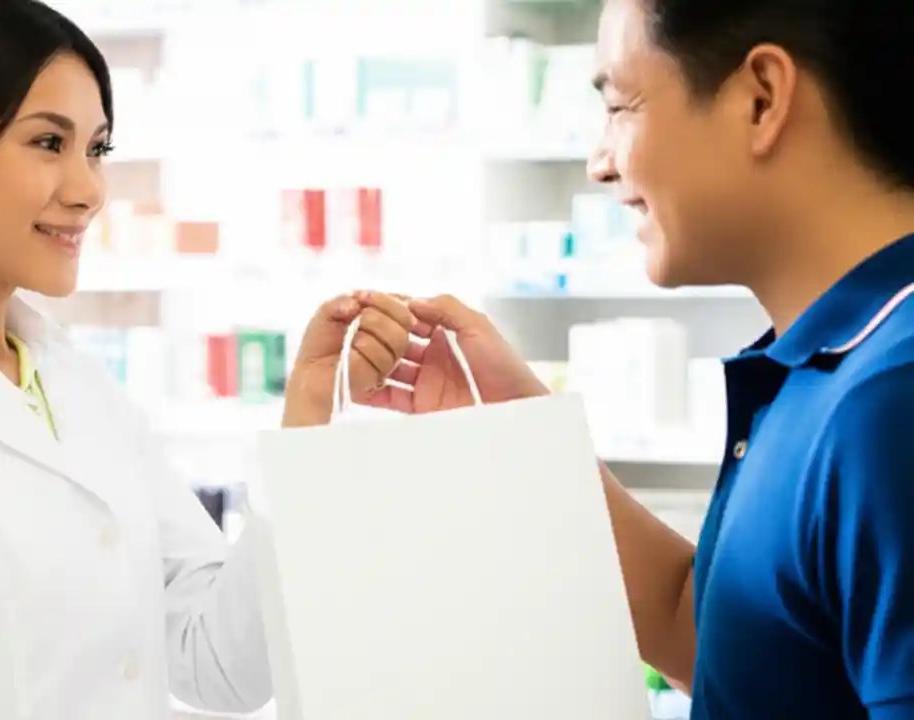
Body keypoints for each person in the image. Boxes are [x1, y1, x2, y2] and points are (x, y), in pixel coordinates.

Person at [0, 1, 416, 718]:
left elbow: (220, 668)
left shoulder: (75, 386)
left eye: (96, 149)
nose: (88, 191)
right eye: (48, 143)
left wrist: (304, 419)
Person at [359, 0, 914, 717]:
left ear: (761, 99)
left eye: (620, 105)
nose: (598, 162)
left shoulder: (890, 403)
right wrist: (524, 436)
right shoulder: (829, 370)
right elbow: (740, 651)